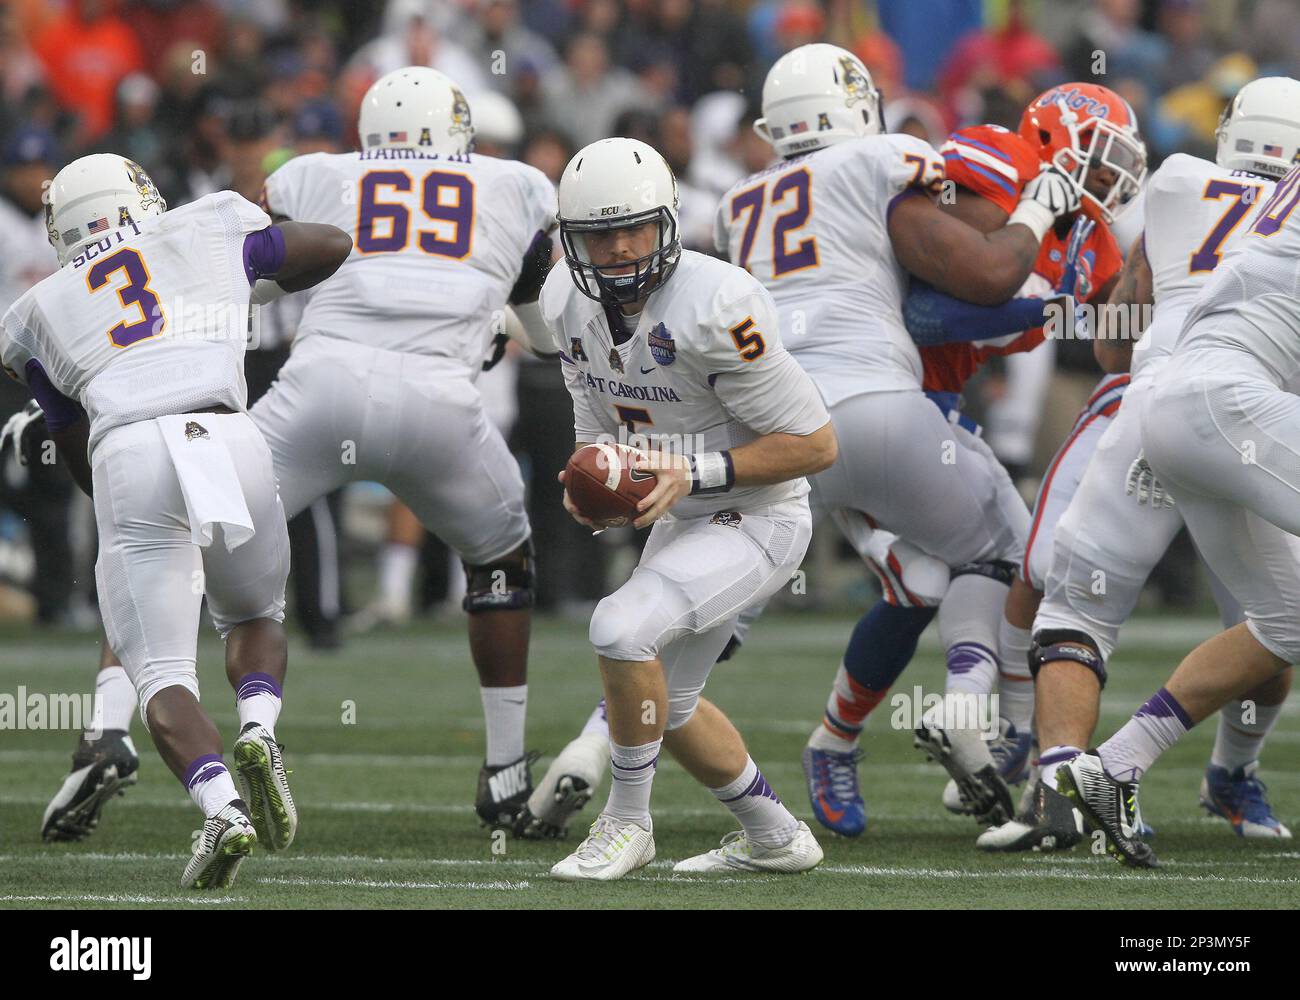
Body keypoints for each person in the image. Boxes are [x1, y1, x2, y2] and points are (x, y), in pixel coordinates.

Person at [3, 152, 351, 886]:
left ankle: (223, 808)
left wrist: (137, 518)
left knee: (161, 674)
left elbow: (74, 454)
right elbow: (331, 245)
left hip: (129, 450)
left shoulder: (36, 310)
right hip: (229, 435)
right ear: (140, 197)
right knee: (256, 614)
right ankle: (259, 729)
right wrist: (256, 259)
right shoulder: (207, 223)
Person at [544, 136, 837, 880]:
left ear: (668, 221)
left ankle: (628, 823)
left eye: (631, 228)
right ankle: (776, 837)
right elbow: (594, 415)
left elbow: (814, 443)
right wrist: (591, 483)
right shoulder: (562, 301)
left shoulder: (719, 301)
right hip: (683, 512)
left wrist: (694, 473)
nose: (615, 250)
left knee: (617, 627)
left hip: (761, 513)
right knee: (666, 706)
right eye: (596, 235)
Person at [1053, 83, 1300, 867]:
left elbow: (1117, 332)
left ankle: (1113, 767)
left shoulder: (1181, 184)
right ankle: (1229, 772)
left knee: (1286, 620)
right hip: (1220, 399)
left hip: (1165, 403)